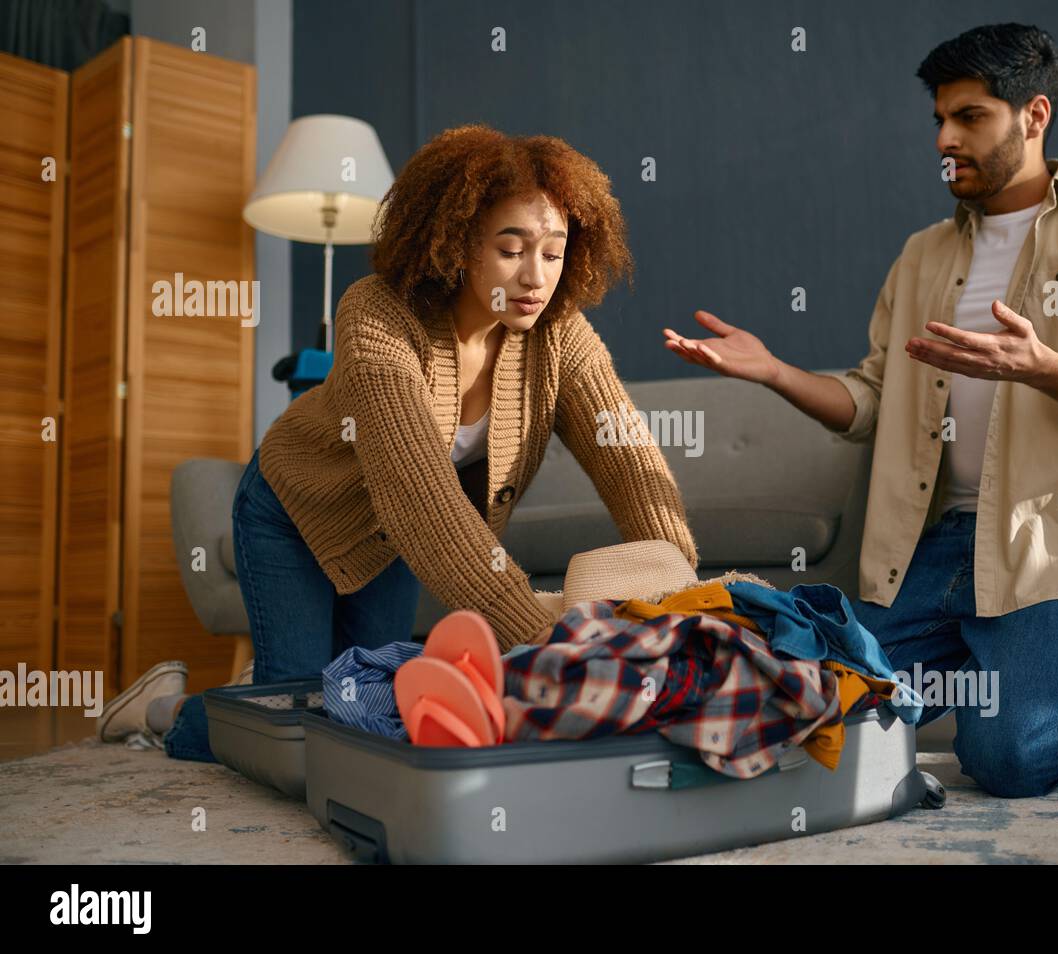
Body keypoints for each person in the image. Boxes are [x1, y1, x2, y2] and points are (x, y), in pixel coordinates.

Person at [663, 23, 1058, 797]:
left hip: (1055, 558)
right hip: (927, 552)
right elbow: (868, 401)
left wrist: (1045, 368)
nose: (944, 139)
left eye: (969, 117)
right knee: (817, 714)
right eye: (939, 119)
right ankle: (983, 647)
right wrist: (777, 373)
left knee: (1008, 760)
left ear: (1034, 116)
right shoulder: (922, 255)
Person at [98, 124, 699, 759]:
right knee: (296, 725)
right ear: (461, 242)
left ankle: (270, 686)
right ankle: (163, 709)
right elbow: (427, 506)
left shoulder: (559, 336)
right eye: (511, 248)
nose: (534, 277)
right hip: (296, 513)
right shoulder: (377, 314)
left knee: (369, 706)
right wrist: (541, 636)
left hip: (387, 539)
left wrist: (688, 592)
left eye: (552, 253)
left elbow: (630, 462)